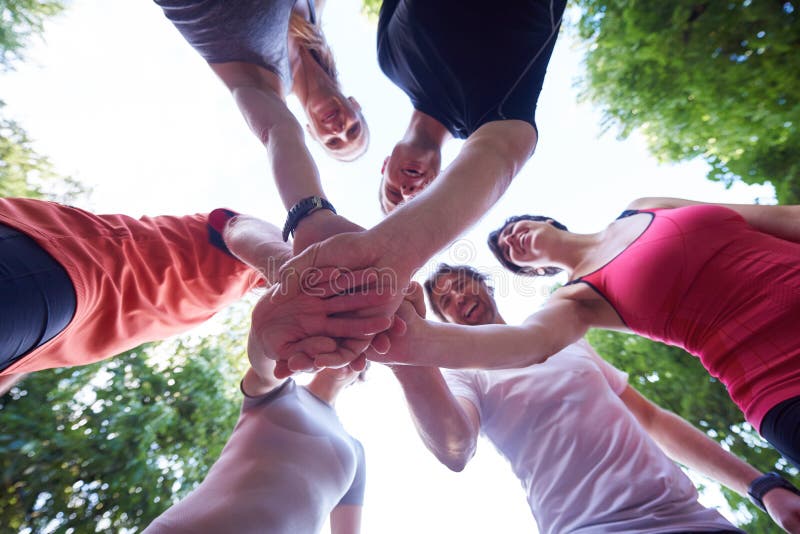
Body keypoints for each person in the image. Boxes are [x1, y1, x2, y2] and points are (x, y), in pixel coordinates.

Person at [370, 198, 800, 470]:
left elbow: (770, 217)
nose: (508, 240)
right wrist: (408, 336)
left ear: (542, 219)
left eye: (508, 231)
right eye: (505, 252)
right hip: (780, 383)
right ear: (534, 271)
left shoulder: (644, 205)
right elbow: (523, 346)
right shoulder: (574, 301)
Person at [260, 0, 567, 375]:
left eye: (394, 194)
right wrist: (394, 249)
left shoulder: (390, 59)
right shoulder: (492, 117)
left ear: (386, 166)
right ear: (441, 184)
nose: (408, 192)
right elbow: (502, 151)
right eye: (414, 201)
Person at [386, 264, 800, 533]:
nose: (458, 298)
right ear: (444, 319)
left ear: (484, 284)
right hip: (590, 526)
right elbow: (456, 447)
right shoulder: (465, 369)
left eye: (461, 286)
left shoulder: (566, 343)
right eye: (445, 301)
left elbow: (652, 420)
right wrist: (408, 355)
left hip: (691, 517)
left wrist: (762, 486)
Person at [0, 198, 386, 395]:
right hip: (69, 266)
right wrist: (289, 267)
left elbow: (265, 373)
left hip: (50, 332)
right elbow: (235, 224)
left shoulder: (237, 301)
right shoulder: (258, 252)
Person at [144, 364, 367, 534]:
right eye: (345, 341)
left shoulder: (355, 451)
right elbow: (263, 367)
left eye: (362, 350)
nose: (350, 354)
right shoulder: (282, 387)